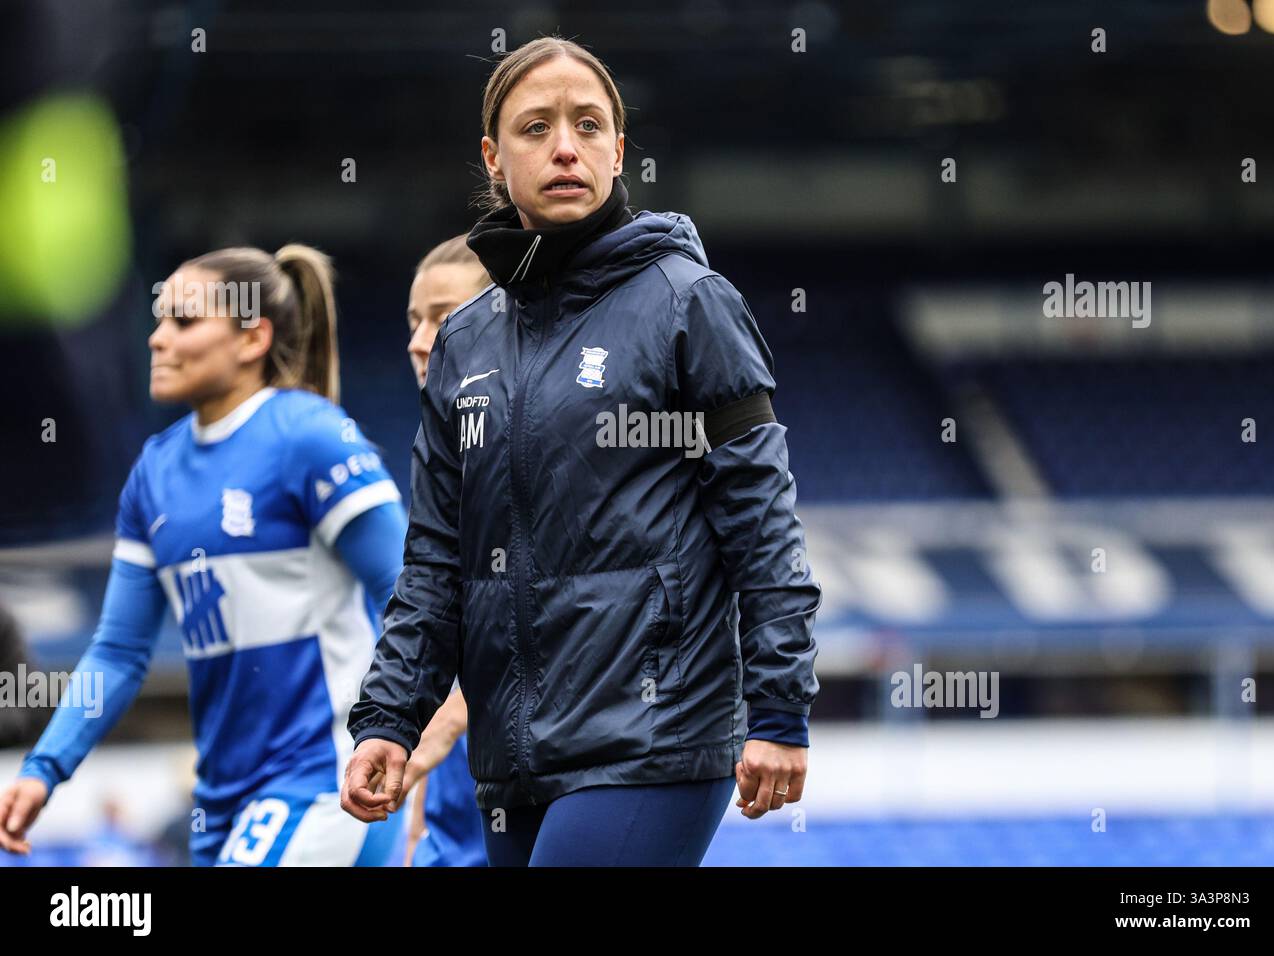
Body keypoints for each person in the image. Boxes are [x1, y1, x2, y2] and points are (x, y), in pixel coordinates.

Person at [342, 36, 820, 866]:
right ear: (494, 158)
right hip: (515, 760)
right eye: (536, 127)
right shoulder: (464, 341)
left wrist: (780, 710)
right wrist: (390, 717)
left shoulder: (688, 305)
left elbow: (762, 523)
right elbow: (434, 563)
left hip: (656, 737)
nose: (566, 147)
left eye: (589, 125)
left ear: (618, 150)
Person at [0, 244, 405, 866]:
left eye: (184, 322)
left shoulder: (309, 436)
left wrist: (412, 738)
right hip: (221, 802)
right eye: (159, 320)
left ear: (252, 339)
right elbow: (118, 651)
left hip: (326, 784)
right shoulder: (155, 471)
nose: (158, 340)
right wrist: (45, 766)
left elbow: (409, 594)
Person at [398, 236, 491, 868]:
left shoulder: (545, 450)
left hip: (541, 794)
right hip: (453, 822)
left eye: (441, 316)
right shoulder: (439, 459)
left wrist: (451, 715)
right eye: (413, 320)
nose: (418, 340)